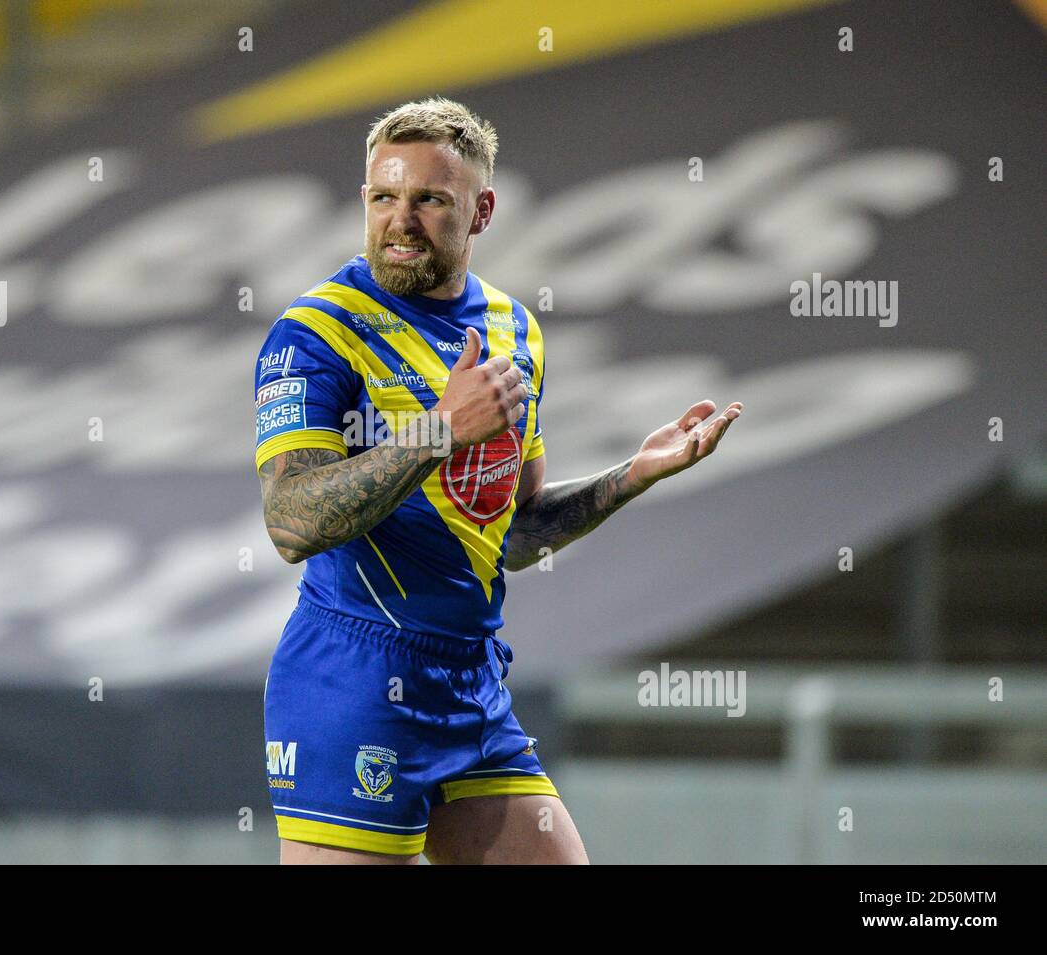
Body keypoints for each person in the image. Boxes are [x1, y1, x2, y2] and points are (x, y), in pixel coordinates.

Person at [253, 97, 742, 864]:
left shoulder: (516, 330)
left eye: (429, 200)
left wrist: (634, 475)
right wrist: (442, 428)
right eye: (384, 197)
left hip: (469, 684)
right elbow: (289, 523)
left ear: (480, 211)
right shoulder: (317, 333)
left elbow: (512, 533)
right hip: (350, 684)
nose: (401, 220)